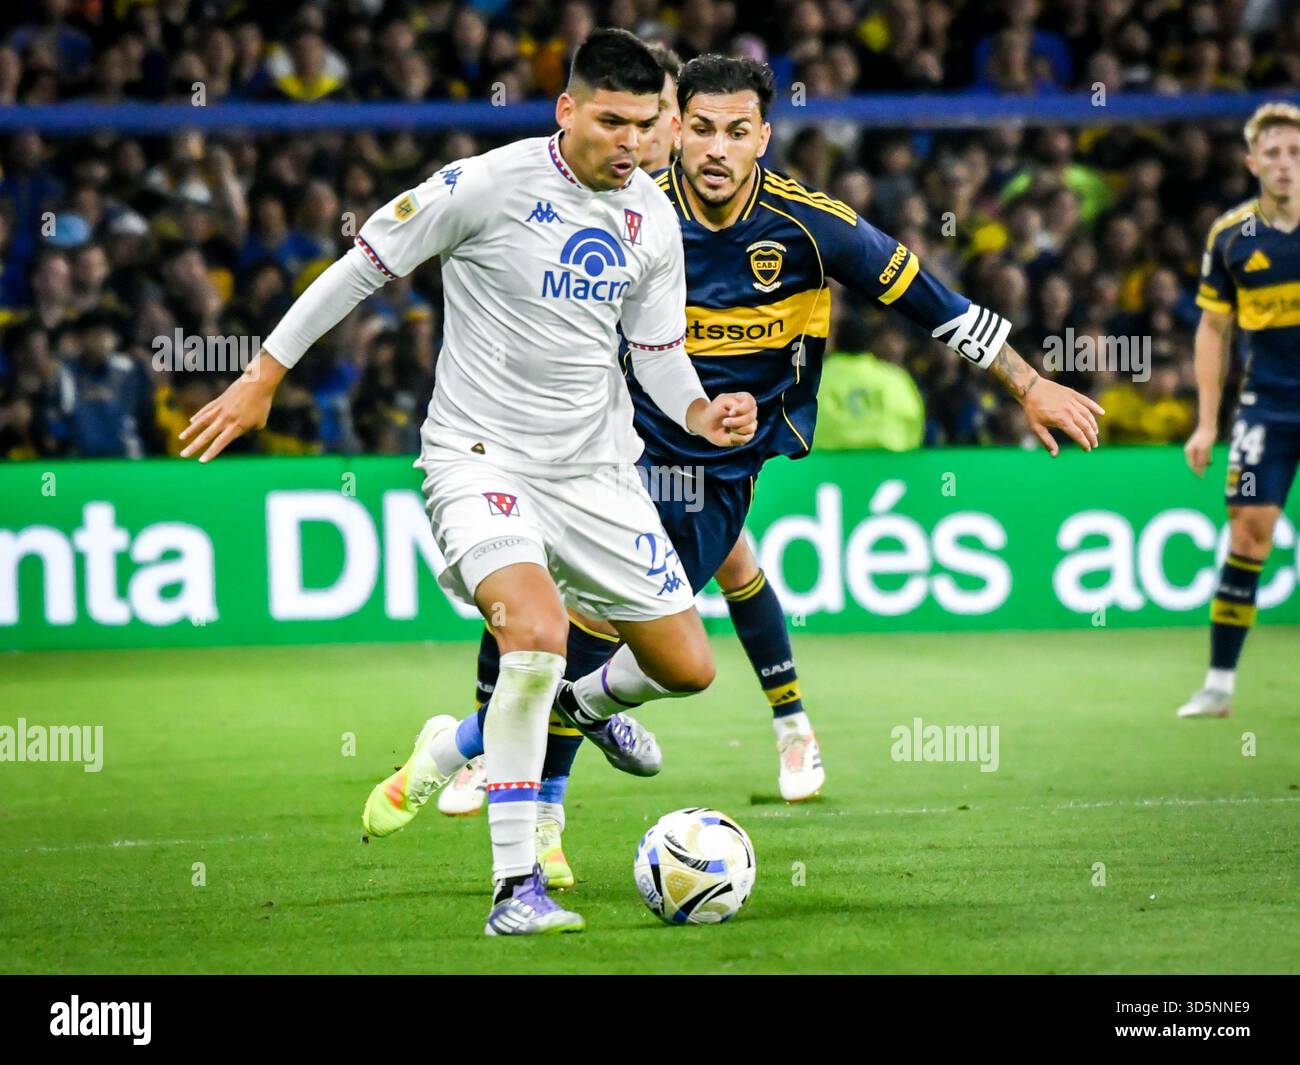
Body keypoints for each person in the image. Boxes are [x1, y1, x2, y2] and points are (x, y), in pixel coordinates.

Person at [368, 54, 1105, 890]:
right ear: (673, 127)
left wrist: (1029, 380)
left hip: (721, 467)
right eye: (700, 127)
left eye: (737, 130)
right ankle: (539, 820)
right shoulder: (623, 208)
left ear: (764, 135)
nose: (716, 148)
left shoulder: (811, 227)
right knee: (566, 620)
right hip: (611, 447)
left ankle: (475, 739)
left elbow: (935, 303)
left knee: (644, 656)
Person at [178, 29, 757, 936]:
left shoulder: (650, 216)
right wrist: (263, 376)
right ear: (566, 109)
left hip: (596, 475)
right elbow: (360, 269)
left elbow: (659, 357)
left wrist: (699, 414)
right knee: (534, 634)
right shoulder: (484, 184)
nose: (630, 144)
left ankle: (477, 737)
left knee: (686, 667)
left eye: (647, 126)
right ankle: (513, 887)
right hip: (479, 458)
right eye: (610, 121)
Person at [1178, 102, 1300, 719]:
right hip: (1268, 408)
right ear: (1252, 163)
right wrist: (1206, 421)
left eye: (1295, 152)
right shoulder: (1231, 237)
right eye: (1273, 153)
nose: (1285, 163)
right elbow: (1212, 330)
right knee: (1248, 533)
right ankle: (1220, 684)